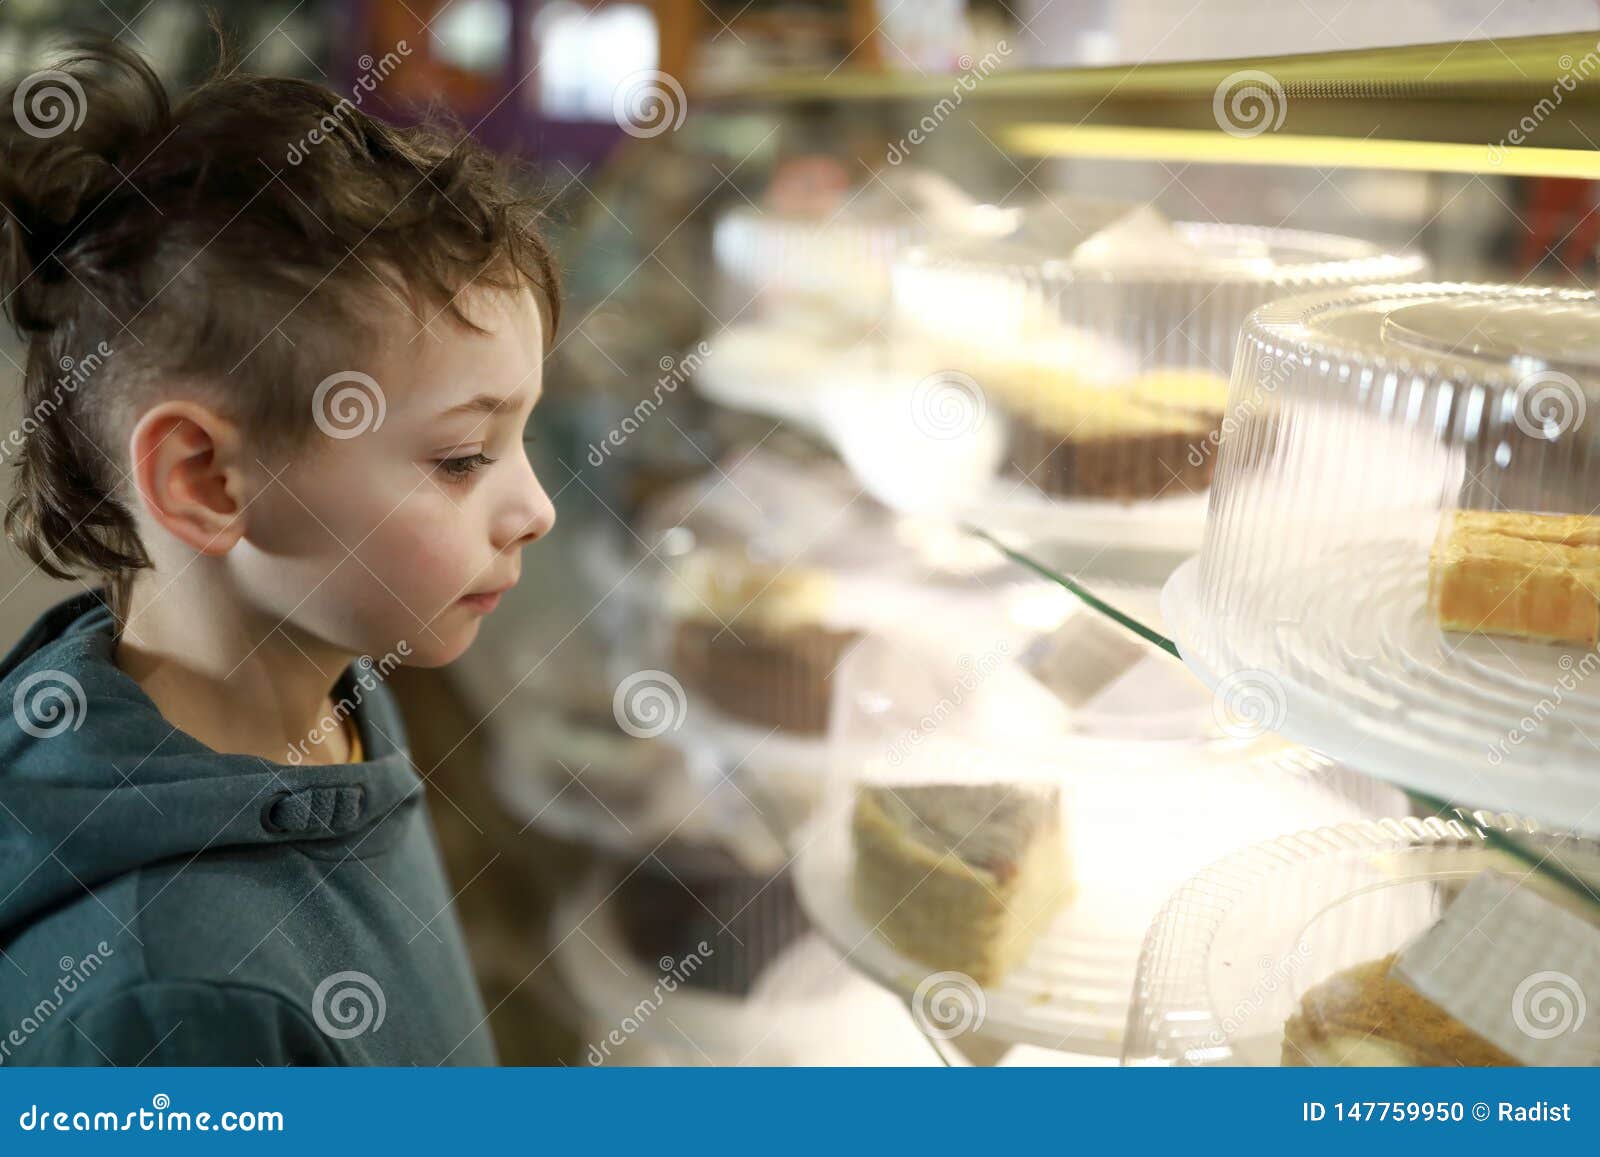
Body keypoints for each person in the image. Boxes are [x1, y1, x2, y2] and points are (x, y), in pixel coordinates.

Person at [0, 41, 559, 1065]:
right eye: (462, 456)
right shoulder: (167, 1008)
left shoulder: (333, 683)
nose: (536, 507)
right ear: (208, 481)